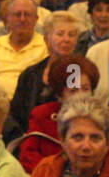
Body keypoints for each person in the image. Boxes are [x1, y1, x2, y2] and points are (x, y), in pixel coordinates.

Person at [17, 55, 109, 173]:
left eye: (85, 89)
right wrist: (53, 176)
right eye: (73, 91)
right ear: (60, 95)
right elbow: (28, 156)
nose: (80, 96)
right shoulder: (42, 115)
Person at [5, 10, 83, 142]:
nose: (66, 39)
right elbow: (16, 114)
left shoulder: (76, 71)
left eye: (71, 35)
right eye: (60, 34)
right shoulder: (31, 73)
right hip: (29, 137)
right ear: (46, 39)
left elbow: (75, 110)